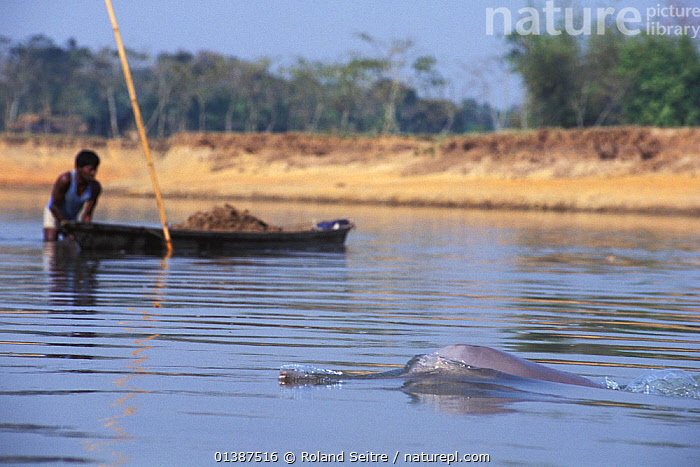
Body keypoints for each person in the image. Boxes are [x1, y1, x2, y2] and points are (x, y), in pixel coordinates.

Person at [43, 150, 102, 241]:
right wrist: (66, 227)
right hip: (54, 213)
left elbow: (87, 215)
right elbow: (54, 206)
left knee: (74, 244)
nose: (93, 173)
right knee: (51, 243)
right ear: (78, 168)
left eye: (95, 169)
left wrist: (83, 232)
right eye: (90, 169)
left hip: (71, 218)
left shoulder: (95, 188)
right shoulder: (66, 180)